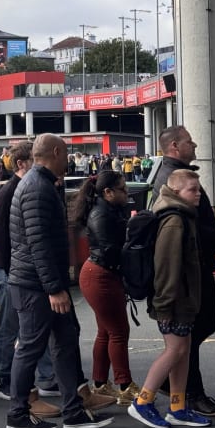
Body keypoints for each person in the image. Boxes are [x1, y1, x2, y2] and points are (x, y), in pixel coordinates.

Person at [5, 134, 113, 428]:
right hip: (35, 285)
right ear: (55, 152)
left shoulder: (41, 183)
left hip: (38, 281)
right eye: (67, 153)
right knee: (31, 345)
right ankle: (17, 413)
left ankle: (73, 410)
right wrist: (54, 287)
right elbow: (39, 243)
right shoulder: (38, 188)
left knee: (65, 339)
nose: (69, 158)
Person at [147, 125, 215, 417]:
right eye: (188, 142)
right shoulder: (170, 191)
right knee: (189, 336)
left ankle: (179, 393)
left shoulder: (173, 175)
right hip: (187, 276)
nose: (194, 145)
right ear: (173, 146)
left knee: (194, 333)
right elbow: (171, 255)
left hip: (193, 269)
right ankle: (184, 394)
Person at [128, 169, 212, 428]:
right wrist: (164, 303)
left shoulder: (181, 216)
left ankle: (178, 406)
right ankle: (143, 401)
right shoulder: (175, 221)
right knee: (174, 350)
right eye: (192, 190)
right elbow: (166, 265)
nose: (198, 194)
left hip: (181, 299)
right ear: (176, 192)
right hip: (173, 301)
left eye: (198, 189)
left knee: (182, 350)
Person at [0, 141, 60, 418]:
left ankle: (45, 376)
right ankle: (5, 379)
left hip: (17, 270)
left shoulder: (24, 188)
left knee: (33, 329)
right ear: (22, 163)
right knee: (13, 329)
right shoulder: (13, 191)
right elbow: (3, 236)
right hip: (12, 270)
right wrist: (9, 270)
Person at [74, 170, 138, 405]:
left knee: (107, 331)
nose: (126, 192)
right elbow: (113, 250)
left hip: (99, 274)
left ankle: (101, 383)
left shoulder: (105, 210)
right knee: (118, 331)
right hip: (102, 276)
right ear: (108, 192)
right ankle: (124, 386)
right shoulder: (102, 215)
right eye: (122, 189)